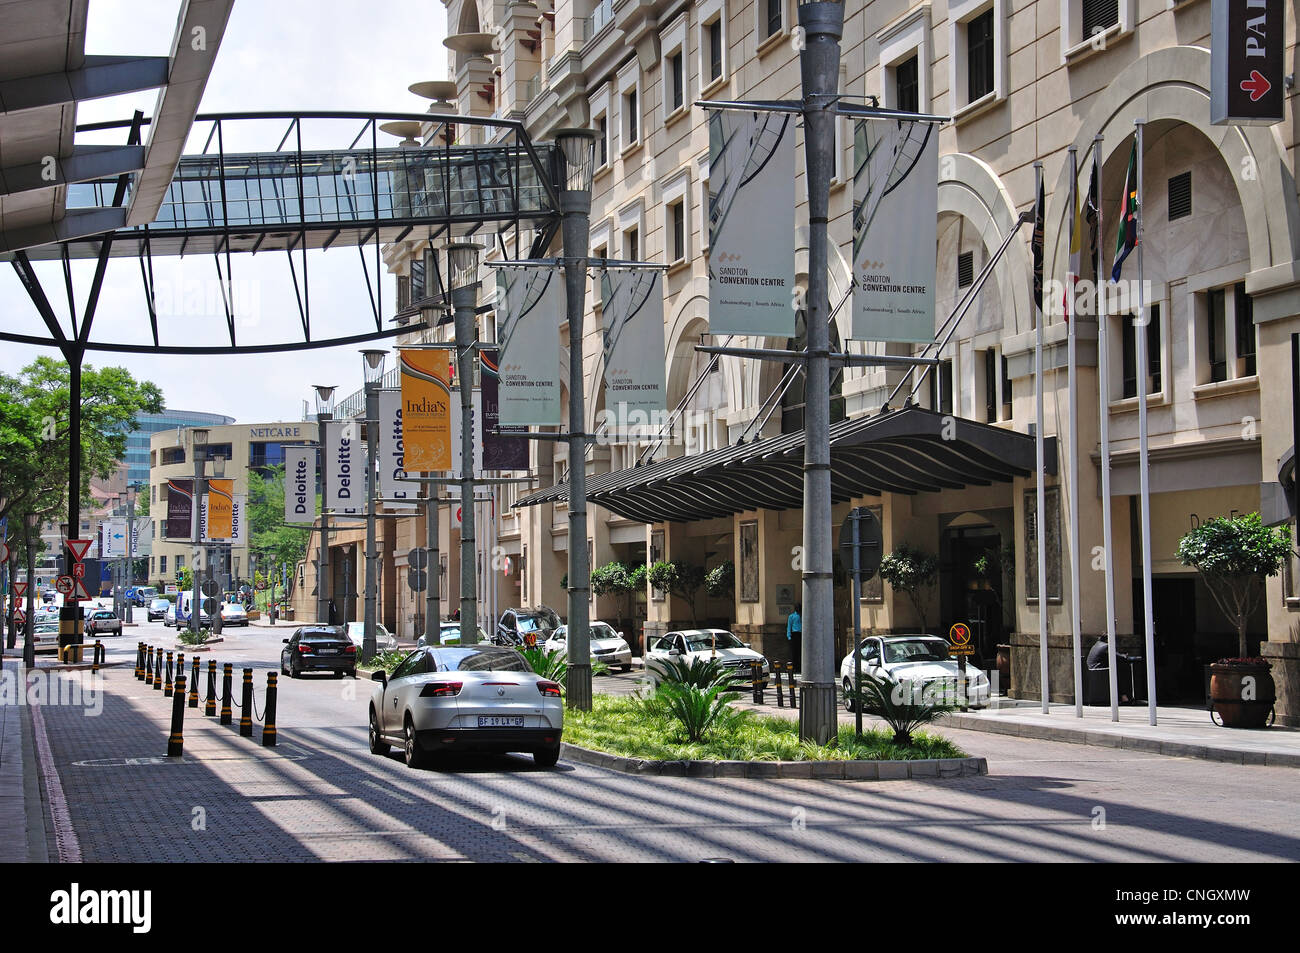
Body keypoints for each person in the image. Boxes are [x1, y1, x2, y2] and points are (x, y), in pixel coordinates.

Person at [786, 604, 802, 673]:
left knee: (801, 651)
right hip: (795, 634)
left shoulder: (802, 615)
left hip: (801, 634)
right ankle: (795, 667)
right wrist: (789, 636)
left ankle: (800, 666)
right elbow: (789, 626)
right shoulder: (792, 616)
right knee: (794, 652)